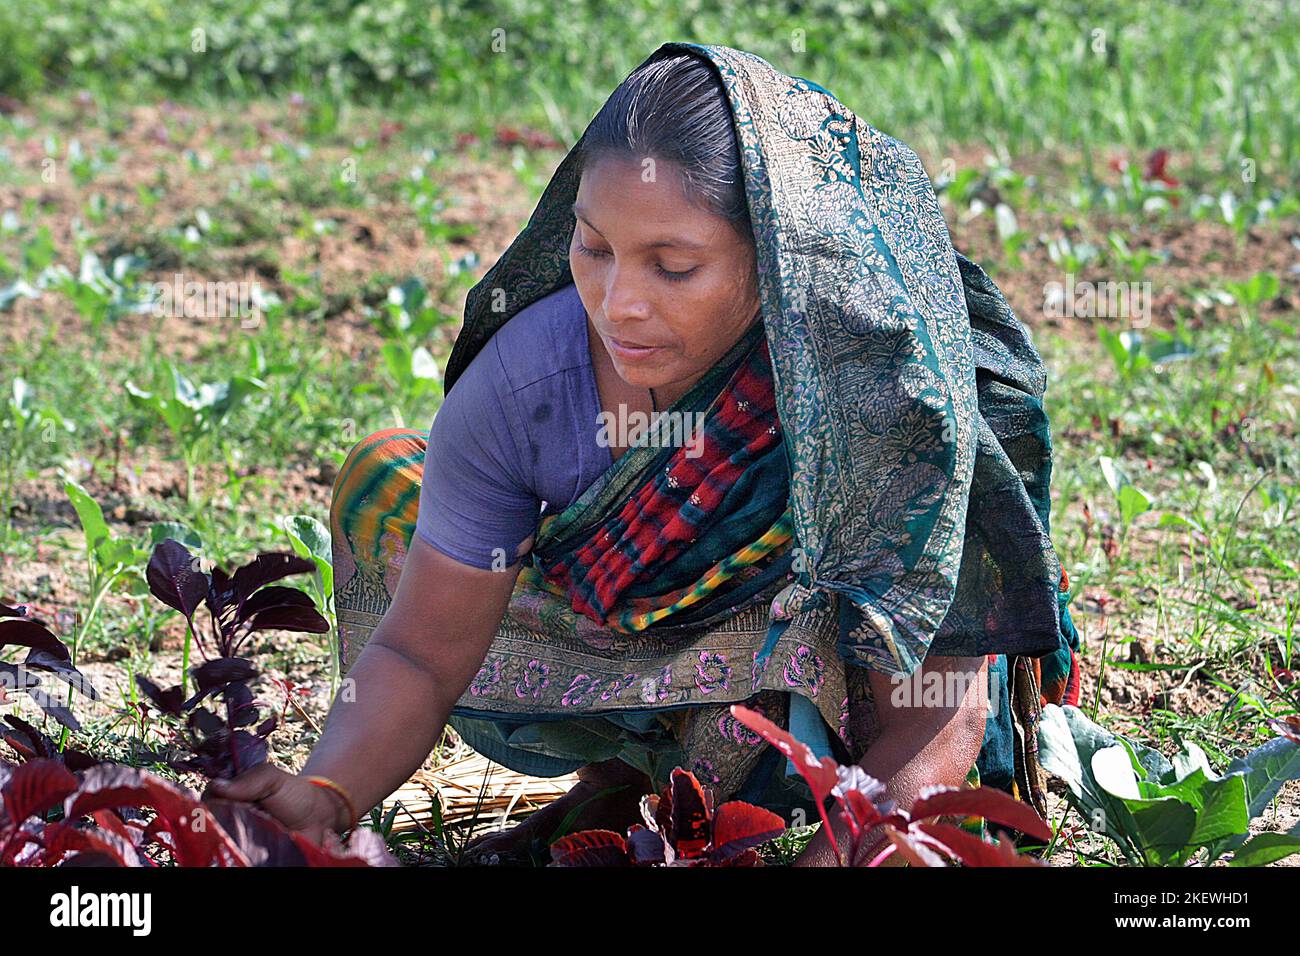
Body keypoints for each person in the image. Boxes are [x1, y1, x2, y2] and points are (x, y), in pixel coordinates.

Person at [208, 42, 1080, 866]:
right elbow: (421, 653)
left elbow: (933, 724)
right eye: (594, 248)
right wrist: (326, 794)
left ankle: (694, 796)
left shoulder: (883, 396)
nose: (618, 303)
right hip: (639, 662)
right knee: (389, 499)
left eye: (672, 265)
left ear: (776, 261)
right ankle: (628, 785)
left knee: (806, 617)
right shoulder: (526, 385)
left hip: (816, 720)